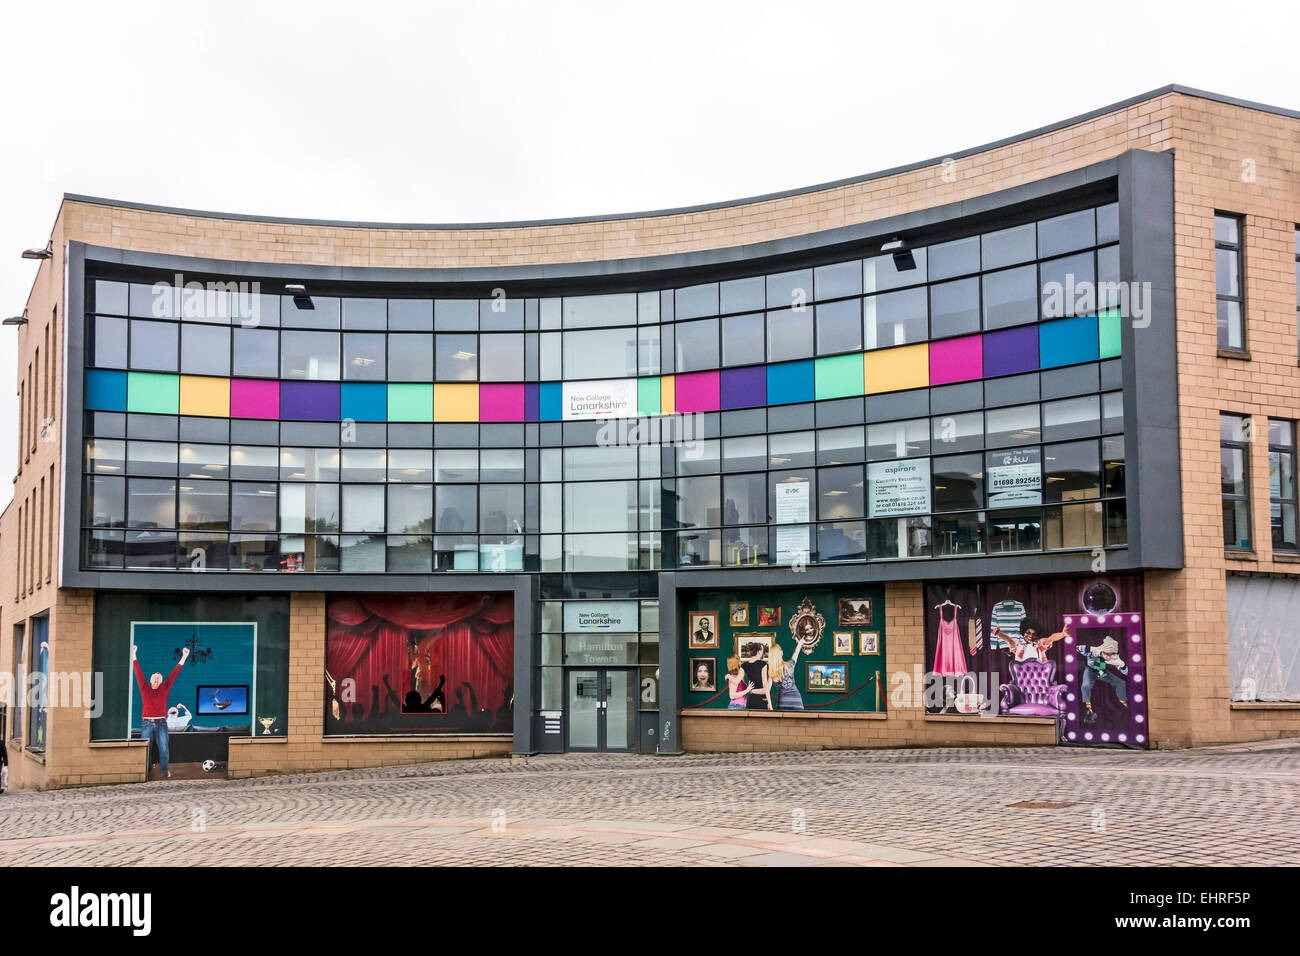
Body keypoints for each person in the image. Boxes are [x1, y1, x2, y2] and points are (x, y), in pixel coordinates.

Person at [131, 644, 189, 779]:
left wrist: (184, 656)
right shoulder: (144, 688)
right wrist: (133, 654)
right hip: (147, 723)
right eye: (154, 677)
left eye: (159, 678)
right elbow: (138, 672)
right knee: (146, 748)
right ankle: (145, 770)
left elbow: (174, 674)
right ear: (150, 680)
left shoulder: (165, 688)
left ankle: (164, 770)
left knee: (163, 748)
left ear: (162, 681)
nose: (156, 679)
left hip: (162, 723)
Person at [1080, 636, 1129, 724]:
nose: (1108, 657)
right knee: (1085, 686)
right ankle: (1089, 710)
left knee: (1121, 683)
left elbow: (1125, 672)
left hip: (1102, 672)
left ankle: (1124, 703)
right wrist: (1095, 648)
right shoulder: (1094, 652)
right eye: (1106, 654)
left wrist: (1122, 664)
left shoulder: (1113, 658)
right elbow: (1078, 648)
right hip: (1090, 671)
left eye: (1111, 654)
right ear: (1102, 651)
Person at [991, 619, 1068, 662]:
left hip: (1039, 671)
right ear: (1023, 632)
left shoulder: (1040, 644)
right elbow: (1009, 640)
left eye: (1033, 634)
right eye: (1028, 633)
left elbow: (1051, 638)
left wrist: (1063, 634)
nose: (1030, 636)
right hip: (1022, 673)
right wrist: (999, 634)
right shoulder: (1019, 646)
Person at [773, 638, 804, 711]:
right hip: (796, 699)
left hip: (783, 701)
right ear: (781, 653)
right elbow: (796, 654)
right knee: (800, 722)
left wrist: (769, 703)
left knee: (783, 722)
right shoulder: (789, 665)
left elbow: (766, 688)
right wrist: (800, 644)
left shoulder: (771, 671)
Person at [741, 643, 771, 710]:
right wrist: (770, 703)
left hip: (751, 700)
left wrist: (749, 690)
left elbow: (738, 681)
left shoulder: (744, 665)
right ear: (759, 651)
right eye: (762, 650)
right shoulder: (763, 664)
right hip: (762, 699)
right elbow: (765, 686)